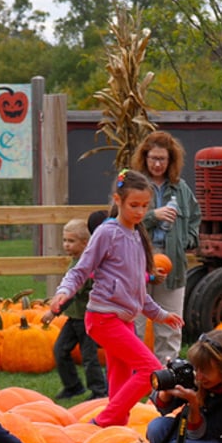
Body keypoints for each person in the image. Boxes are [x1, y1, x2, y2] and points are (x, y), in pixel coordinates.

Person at [48, 170, 183, 427]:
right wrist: (63, 292)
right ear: (117, 200)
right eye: (134, 205)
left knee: (120, 385)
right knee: (151, 371)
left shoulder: (136, 236)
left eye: (145, 206)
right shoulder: (106, 232)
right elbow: (81, 269)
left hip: (125, 321)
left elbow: (137, 292)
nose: (141, 212)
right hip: (103, 318)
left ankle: (114, 429)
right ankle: (101, 422)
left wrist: (161, 315)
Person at [132, 131, 201, 362]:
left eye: (163, 159)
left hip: (172, 262)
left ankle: (165, 381)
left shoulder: (180, 189)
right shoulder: (134, 185)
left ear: (171, 160)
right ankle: (134, 380)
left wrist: (187, 241)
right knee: (135, 324)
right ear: (145, 158)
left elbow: (195, 217)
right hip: (139, 261)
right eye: (153, 158)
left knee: (170, 327)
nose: (158, 164)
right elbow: (119, 219)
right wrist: (152, 216)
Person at [42, 218, 107, 401]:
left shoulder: (85, 265)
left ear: (85, 243)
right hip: (74, 318)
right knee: (60, 350)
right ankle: (73, 386)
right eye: (64, 240)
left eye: (71, 241)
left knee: (89, 357)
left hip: (87, 318)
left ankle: (99, 391)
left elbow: (70, 295)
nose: (66, 245)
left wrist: (53, 312)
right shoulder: (75, 261)